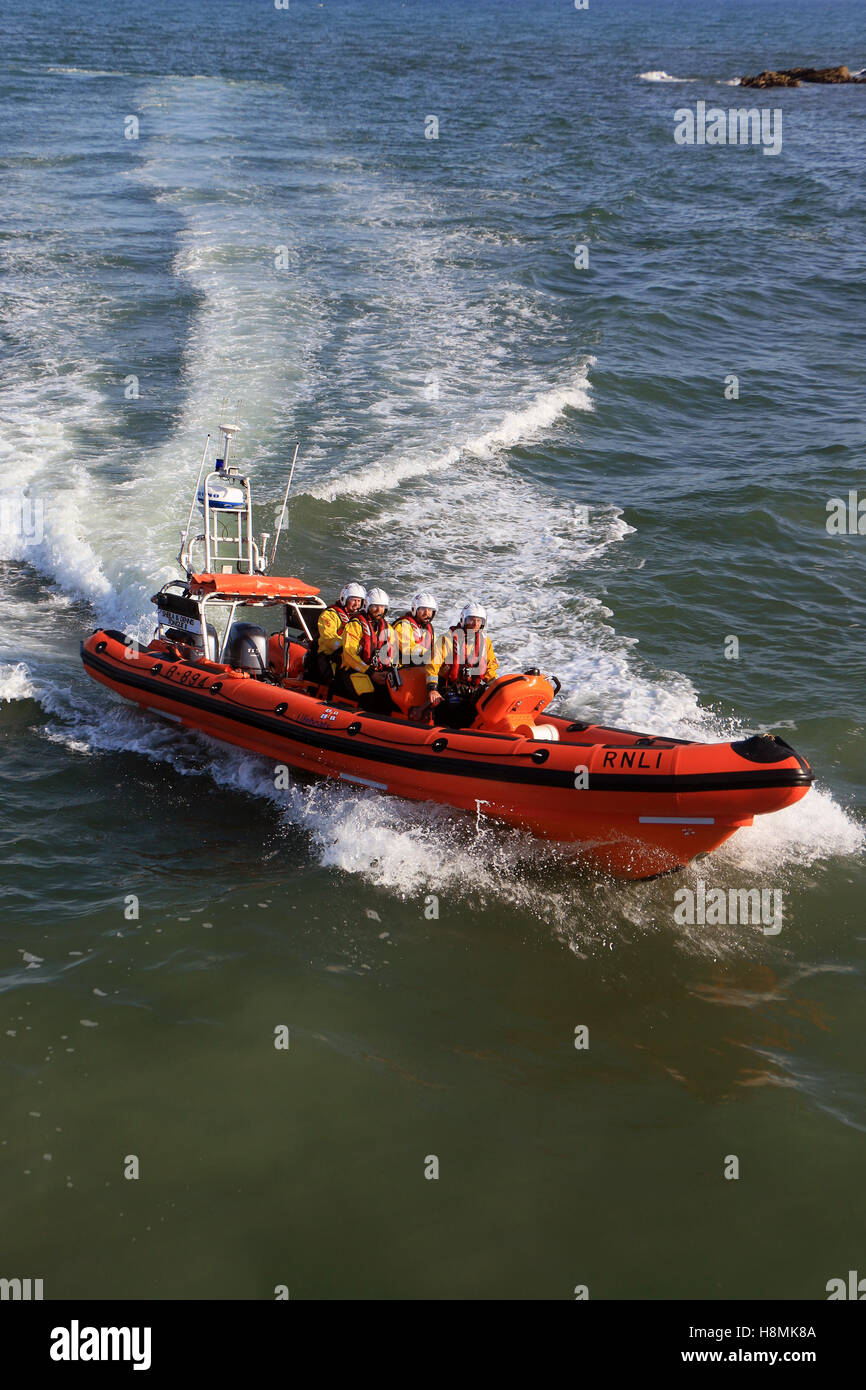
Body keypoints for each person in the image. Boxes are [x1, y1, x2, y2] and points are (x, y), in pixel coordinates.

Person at [425, 598, 499, 727]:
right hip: (449, 687)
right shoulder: (447, 639)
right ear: (463, 620)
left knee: (488, 706)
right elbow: (433, 664)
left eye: (478, 621)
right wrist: (432, 689)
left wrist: (495, 686)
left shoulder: (485, 642)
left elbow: (489, 668)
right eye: (471, 620)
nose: (475, 624)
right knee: (454, 708)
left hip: (472, 689)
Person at [339, 586, 399, 713]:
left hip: (378, 672)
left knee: (393, 697)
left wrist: (390, 670)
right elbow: (349, 655)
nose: (379, 610)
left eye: (382, 607)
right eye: (375, 606)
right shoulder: (355, 625)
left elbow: (393, 652)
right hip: (354, 671)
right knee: (368, 697)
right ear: (367, 606)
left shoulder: (387, 628)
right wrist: (371, 672)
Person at [304, 582, 365, 682]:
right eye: (353, 600)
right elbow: (329, 639)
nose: (357, 604)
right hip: (328, 656)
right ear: (344, 599)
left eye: (359, 601)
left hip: (350, 656)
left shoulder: (360, 620)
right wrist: (347, 646)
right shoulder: (329, 615)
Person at [393, 590, 438, 670]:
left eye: (430, 610)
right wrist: (429, 654)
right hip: (401, 668)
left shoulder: (428, 628)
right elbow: (408, 649)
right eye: (422, 609)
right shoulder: (403, 625)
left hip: (419, 667)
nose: (426, 613)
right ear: (415, 610)